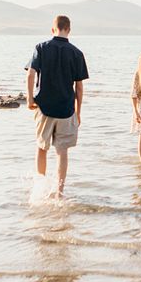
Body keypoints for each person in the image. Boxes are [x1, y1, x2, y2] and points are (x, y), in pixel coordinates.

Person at [26, 15, 89, 196]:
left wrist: (30, 99)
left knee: (41, 147)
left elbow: (30, 74)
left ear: (53, 29)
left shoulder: (41, 47)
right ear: (69, 30)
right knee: (62, 152)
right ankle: (59, 192)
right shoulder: (77, 53)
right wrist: (78, 112)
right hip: (66, 109)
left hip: (44, 107)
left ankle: (40, 187)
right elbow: (79, 87)